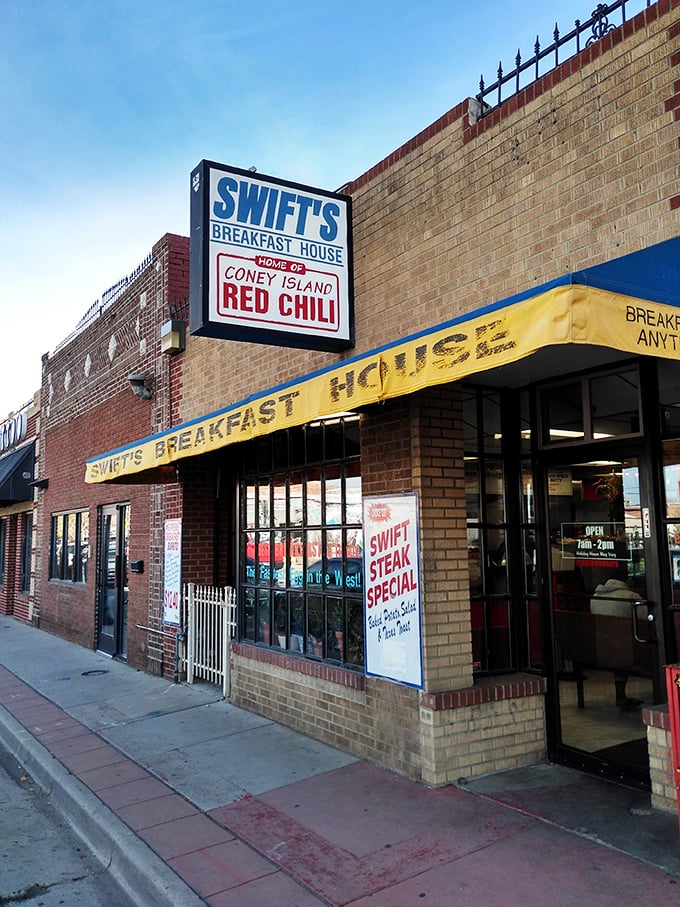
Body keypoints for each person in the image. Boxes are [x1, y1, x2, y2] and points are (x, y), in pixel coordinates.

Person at [590, 577, 645, 709]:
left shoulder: (595, 597)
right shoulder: (631, 596)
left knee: (619, 649)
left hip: (602, 645)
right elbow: (646, 617)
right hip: (627, 648)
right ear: (625, 581)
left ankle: (620, 695)